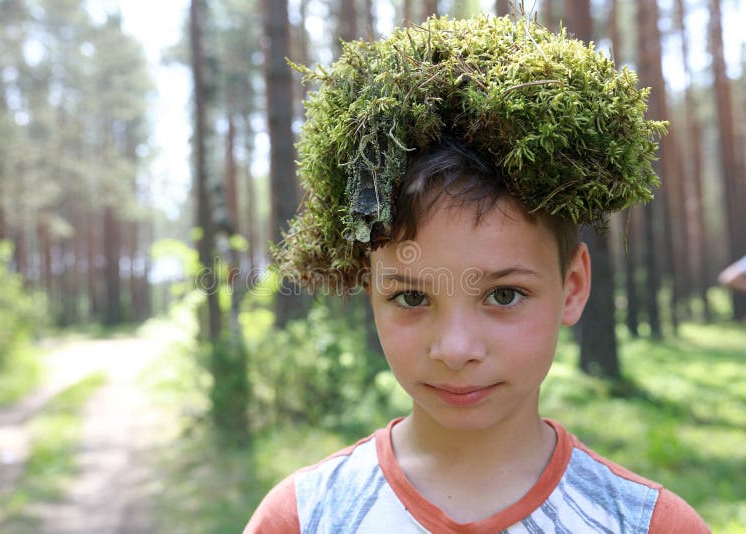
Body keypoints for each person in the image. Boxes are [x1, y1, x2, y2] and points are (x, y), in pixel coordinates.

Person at [247, 15, 709, 533]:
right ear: (367, 284)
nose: (456, 348)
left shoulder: (649, 525)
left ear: (572, 287)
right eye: (412, 299)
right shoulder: (303, 518)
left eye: (505, 294)